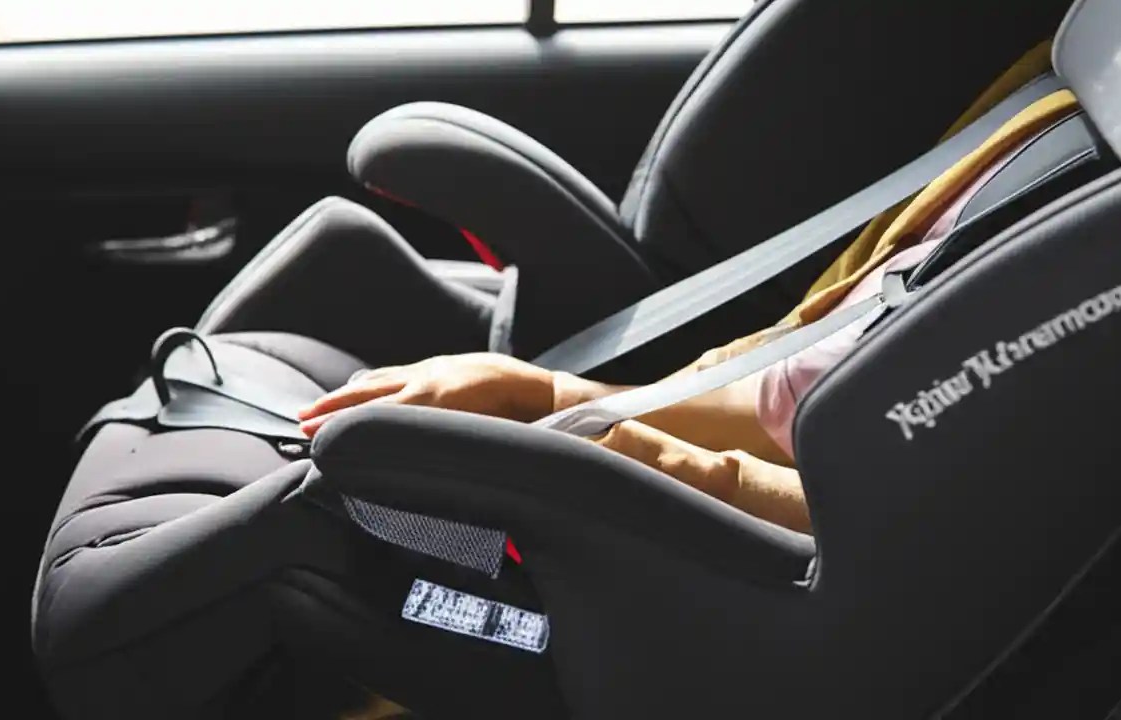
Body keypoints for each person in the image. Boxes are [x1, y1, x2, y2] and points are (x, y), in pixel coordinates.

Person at [297, 43, 1075, 536]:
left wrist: (576, 450)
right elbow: (789, 397)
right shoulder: (1059, 87)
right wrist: (539, 395)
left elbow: (940, 539)